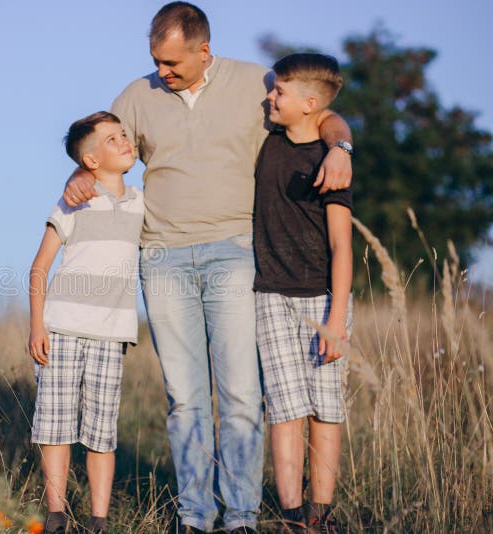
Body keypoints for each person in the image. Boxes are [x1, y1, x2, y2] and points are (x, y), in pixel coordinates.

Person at [62, 3, 354, 533]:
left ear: (204, 51)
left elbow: (321, 113)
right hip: (163, 257)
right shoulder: (137, 95)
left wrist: (342, 146)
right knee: (185, 399)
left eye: (172, 63)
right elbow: (99, 149)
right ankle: (195, 515)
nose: (162, 71)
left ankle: (241, 517)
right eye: (156, 60)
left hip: (235, 252)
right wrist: (76, 179)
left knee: (242, 394)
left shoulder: (256, 84)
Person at [28, 111, 143, 534]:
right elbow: (40, 267)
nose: (125, 141)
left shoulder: (140, 202)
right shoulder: (72, 201)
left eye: (124, 135)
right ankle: (56, 515)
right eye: (112, 139)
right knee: (55, 426)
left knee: (101, 433)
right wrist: (37, 326)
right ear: (91, 160)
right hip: (61, 328)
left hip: (111, 335)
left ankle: (98, 520)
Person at [253, 53, 353, 534]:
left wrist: (336, 319)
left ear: (310, 103)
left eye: (280, 92)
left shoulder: (330, 162)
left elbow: (341, 245)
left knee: (325, 410)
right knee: (285, 409)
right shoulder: (267, 144)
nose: (270, 98)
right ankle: (291, 516)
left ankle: (321, 513)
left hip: (323, 299)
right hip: (271, 294)